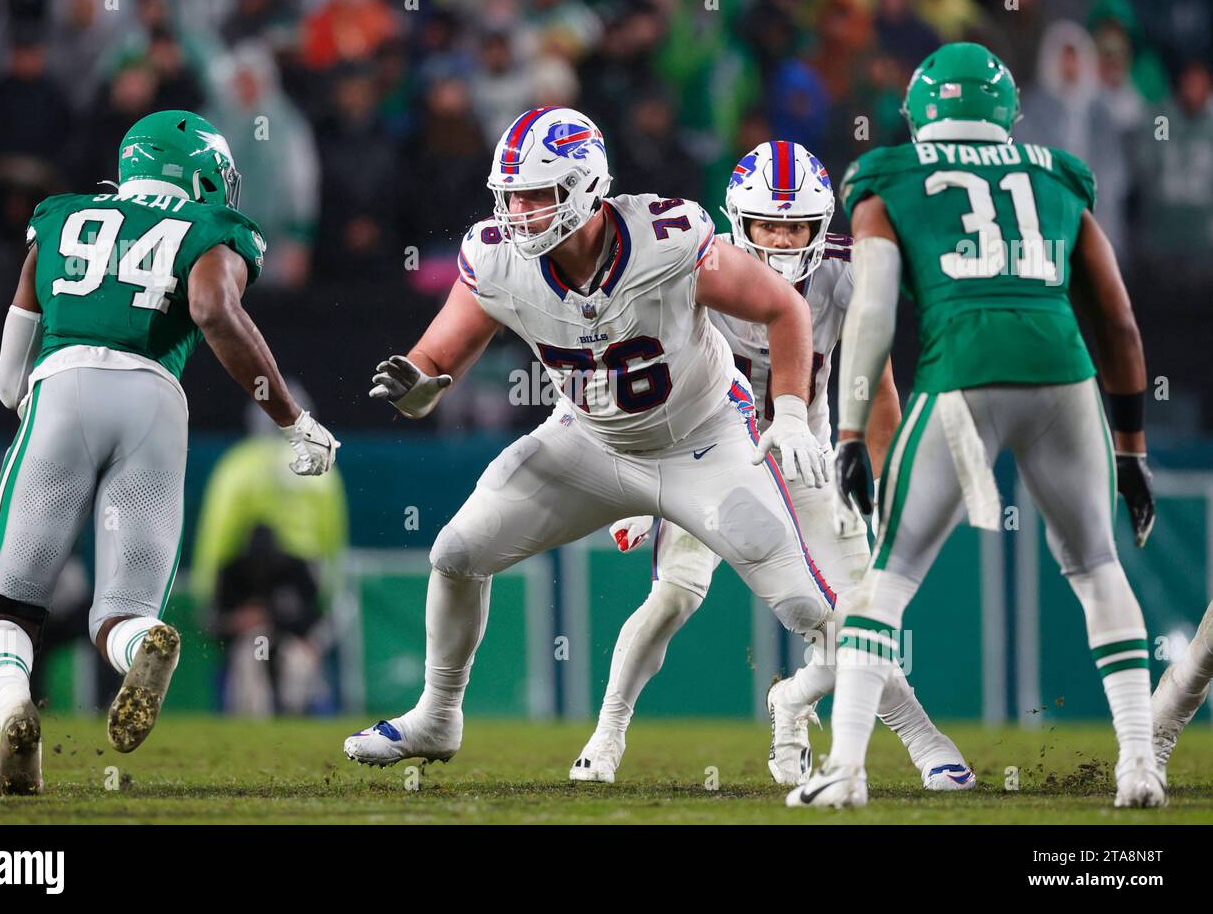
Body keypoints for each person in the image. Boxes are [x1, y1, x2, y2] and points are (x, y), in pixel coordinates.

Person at [345, 106, 834, 768]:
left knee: (809, 604)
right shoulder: (498, 258)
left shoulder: (668, 236)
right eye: (510, 197)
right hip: (592, 444)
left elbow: (785, 306)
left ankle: (823, 726)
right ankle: (436, 716)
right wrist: (421, 383)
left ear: (586, 187)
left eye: (537, 197)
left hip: (706, 443)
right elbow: (438, 355)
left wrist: (792, 412)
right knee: (457, 552)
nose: (519, 214)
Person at [786, 43, 1160, 809]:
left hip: (963, 372)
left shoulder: (888, 175)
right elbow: (1118, 322)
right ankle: (1139, 767)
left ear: (920, 108)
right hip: (1064, 373)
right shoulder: (1057, 172)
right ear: (1007, 110)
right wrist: (1132, 449)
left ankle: (848, 770)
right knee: (1097, 568)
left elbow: (876, 309)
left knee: (886, 580)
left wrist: (850, 431)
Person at [574, 140, 973, 790]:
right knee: (673, 596)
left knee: (852, 616)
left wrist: (890, 488)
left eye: (796, 224)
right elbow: (635, 382)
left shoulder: (848, 274)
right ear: (739, 221)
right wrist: (638, 493)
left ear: (823, 225)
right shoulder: (689, 266)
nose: (784, 239)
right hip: (699, 455)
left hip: (801, 456)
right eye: (770, 224)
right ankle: (607, 732)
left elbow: (875, 392)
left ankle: (901, 734)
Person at [0, 110, 338, 795]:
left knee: (7, 608)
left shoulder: (60, 216)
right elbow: (211, 310)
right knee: (123, 610)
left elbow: (4, 381)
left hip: (63, 386)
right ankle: (143, 647)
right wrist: (292, 418)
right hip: (153, 399)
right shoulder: (214, 230)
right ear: (197, 171)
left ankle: (17, 711)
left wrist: (42, 404)